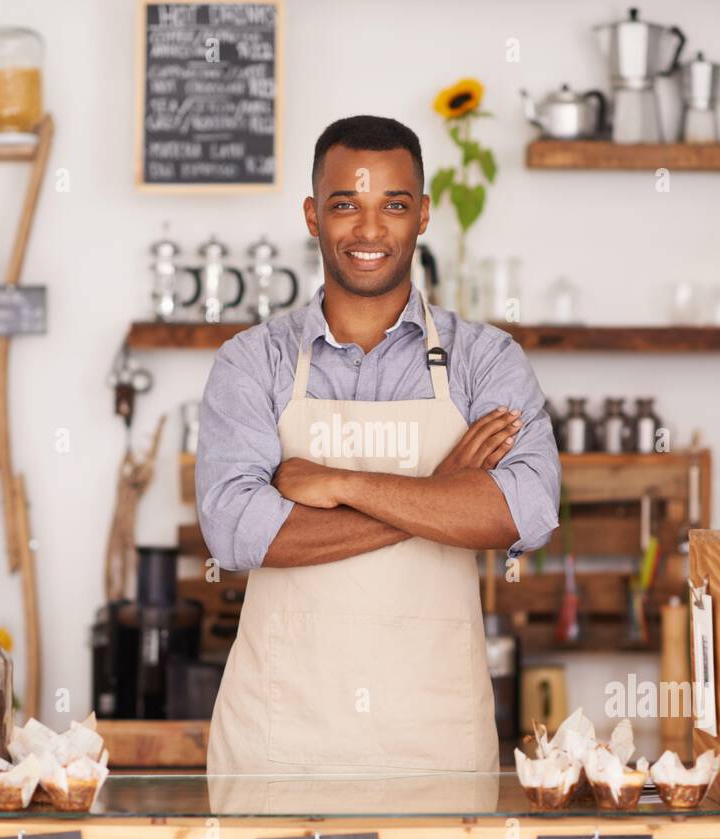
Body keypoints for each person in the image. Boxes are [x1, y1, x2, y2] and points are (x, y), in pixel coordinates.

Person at [197, 115, 561, 776]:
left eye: (393, 205)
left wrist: (343, 483)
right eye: (346, 205)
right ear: (313, 215)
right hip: (279, 743)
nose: (369, 230)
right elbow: (237, 532)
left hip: (437, 744)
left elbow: (526, 510)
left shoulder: (486, 358)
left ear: (422, 215)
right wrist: (443, 486)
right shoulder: (254, 362)